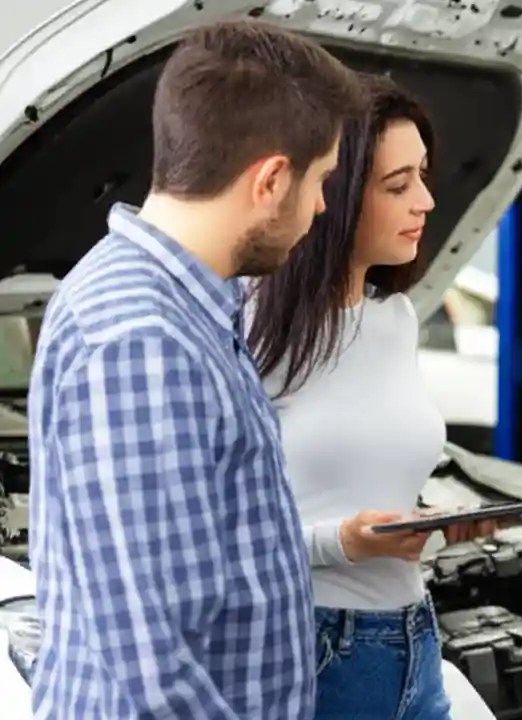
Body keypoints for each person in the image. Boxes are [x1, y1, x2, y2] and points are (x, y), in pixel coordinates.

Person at [25, 20, 364, 719]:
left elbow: (219, 561)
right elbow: (152, 659)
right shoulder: (141, 339)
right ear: (271, 179)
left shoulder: (187, 309)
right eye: (322, 180)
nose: (323, 206)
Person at [245, 74, 491, 720]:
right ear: (338, 192)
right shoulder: (252, 327)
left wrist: (439, 522)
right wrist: (343, 542)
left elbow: (377, 491)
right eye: (398, 184)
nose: (428, 201)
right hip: (316, 649)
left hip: (414, 638)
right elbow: (218, 539)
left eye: (424, 175)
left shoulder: (397, 318)